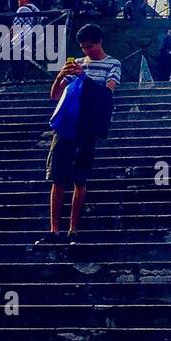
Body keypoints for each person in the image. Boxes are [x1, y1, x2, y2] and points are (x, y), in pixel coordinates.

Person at [41, 24, 120, 245]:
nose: (87, 51)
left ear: (100, 41)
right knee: (57, 177)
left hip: (87, 127)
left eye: (90, 46)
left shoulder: (112, 64)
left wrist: (83, 77)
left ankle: (73, 229)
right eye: (84, 48)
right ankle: (54, 230)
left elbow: (107, 93)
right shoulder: (77, 64)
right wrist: (60, 76)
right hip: (66, 124)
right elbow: (56, 96)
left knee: (80, 178)